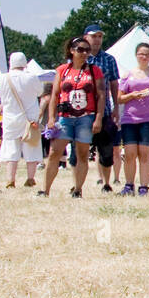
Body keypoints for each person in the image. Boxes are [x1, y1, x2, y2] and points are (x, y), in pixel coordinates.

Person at [42, 36, 106, 197]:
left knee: (82, 154)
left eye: (87, 50)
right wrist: (51, 118)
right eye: (80, 50)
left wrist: (98, 118)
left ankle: (78, 189)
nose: (84, 53)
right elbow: (55, 94)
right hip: (65, 117)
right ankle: (45, 190)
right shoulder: (63, 70)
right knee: (54, 152)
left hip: (86, 117)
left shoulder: (94, 70)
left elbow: (101, 95)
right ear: (71, 50)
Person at [116, 42, 149, 196]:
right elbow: (119, 98)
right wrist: (133, 95)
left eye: (147, 54)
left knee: (145, 153)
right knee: (130, 153)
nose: (144, 56)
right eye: (141, 54)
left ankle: (144, 187)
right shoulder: (128, 74)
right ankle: (129, 185)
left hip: (148, 118)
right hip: (129, 118)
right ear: (136, 55)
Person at [0, 52, 47, 189]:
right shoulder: (31, 77)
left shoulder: (3, 78)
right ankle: (30, 178)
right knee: (31, 146)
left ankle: (10, 179)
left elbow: (2, 96)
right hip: (30, 118)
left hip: (10, 118)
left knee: (11, 149)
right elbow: (39, 92)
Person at [80, 25, 121, 193]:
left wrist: (117, 106)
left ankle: (106, 183)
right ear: (85, 38)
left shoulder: (109, 59)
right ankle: (77, 185)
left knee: (106, 149)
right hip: (81, 111)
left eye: (99, 36)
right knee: (79, 149)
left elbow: (114, 83)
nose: (97, 39)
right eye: (93, 36)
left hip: (104, 111)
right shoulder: (79, 58)